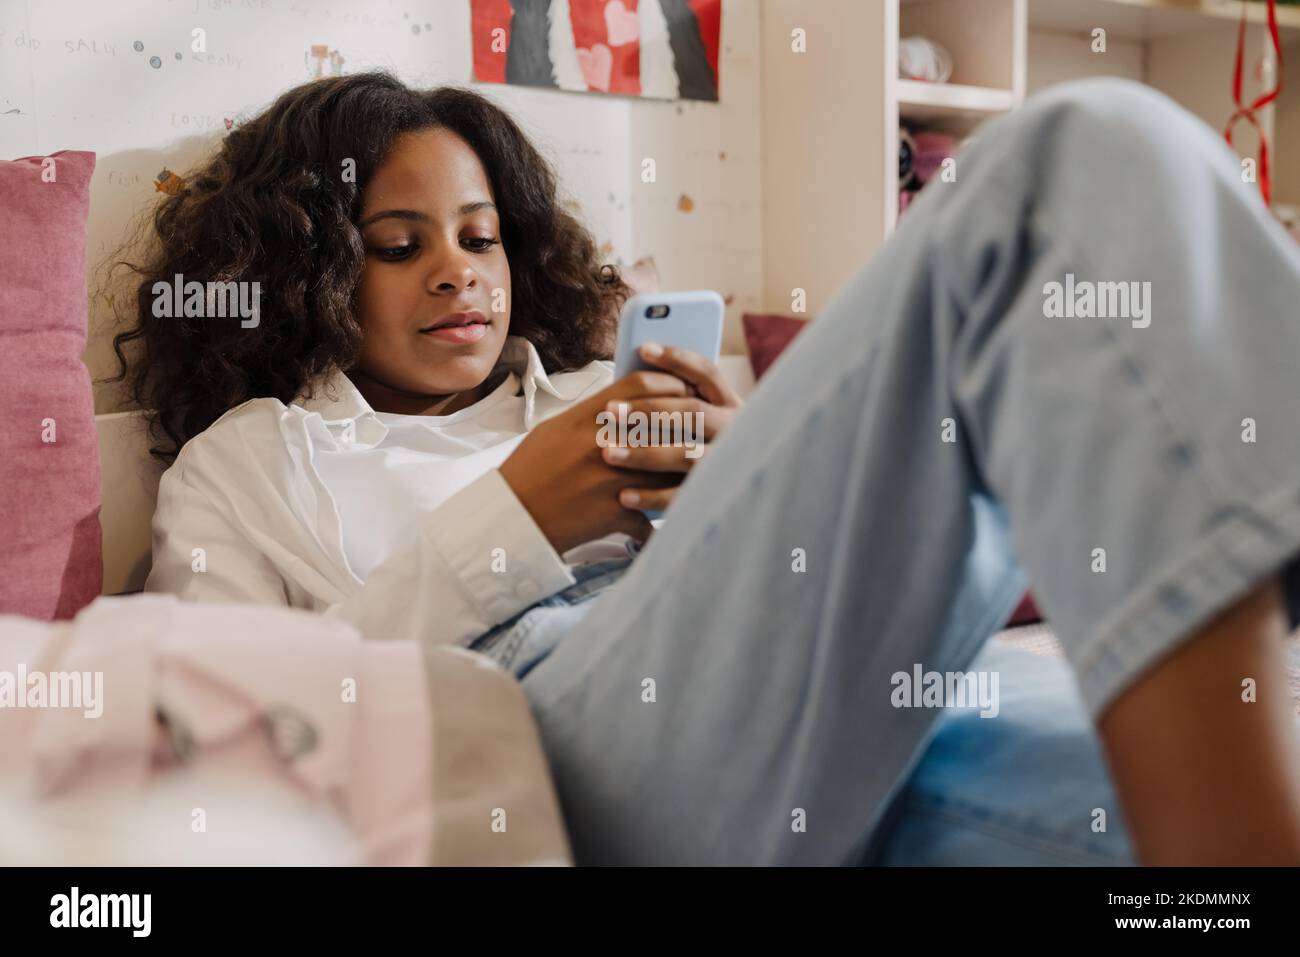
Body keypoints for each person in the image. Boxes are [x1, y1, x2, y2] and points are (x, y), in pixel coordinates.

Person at [114, 71, 1300, 865]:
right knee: (1071, 156)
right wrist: (515, 522)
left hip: (798, 695)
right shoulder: (249, 461)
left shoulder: (595, 391)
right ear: (310, 267)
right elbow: (213, 751)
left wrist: (748, 483)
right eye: (396, 245)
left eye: (481, 239)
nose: (458, 273)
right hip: (533, 734)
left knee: (1128, 784)